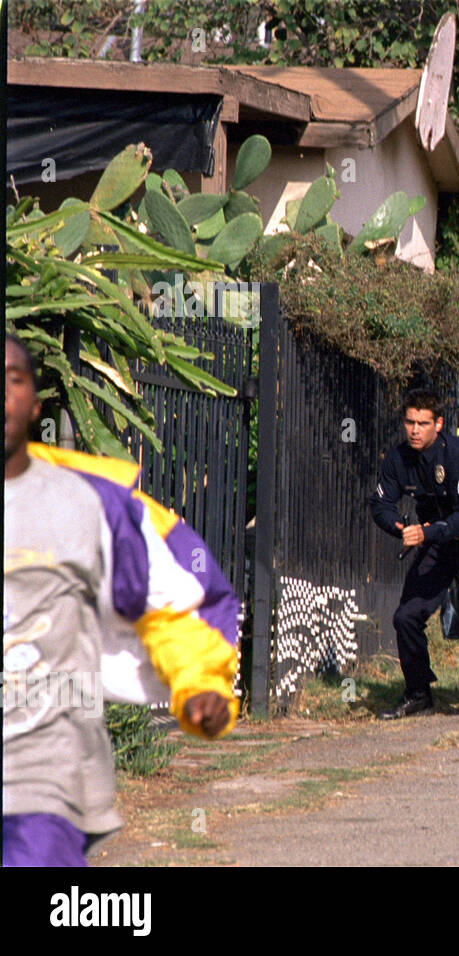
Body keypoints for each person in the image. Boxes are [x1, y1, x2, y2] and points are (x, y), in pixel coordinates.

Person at [3, 334, 240, 867]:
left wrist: (199, 682)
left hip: (41, 771)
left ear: (36, 402)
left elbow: (177, 600)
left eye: (12, 380)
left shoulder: (91, 503)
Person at [369, 389, 459, 718]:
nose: (415, 430)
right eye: (410, 422)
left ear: (439, 424)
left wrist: (425, 532)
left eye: (423, 423)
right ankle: (418, 694)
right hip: (438, 543)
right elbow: (380, 503)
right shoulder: (401, 458)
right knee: (405, 617)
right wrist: (402, 528)